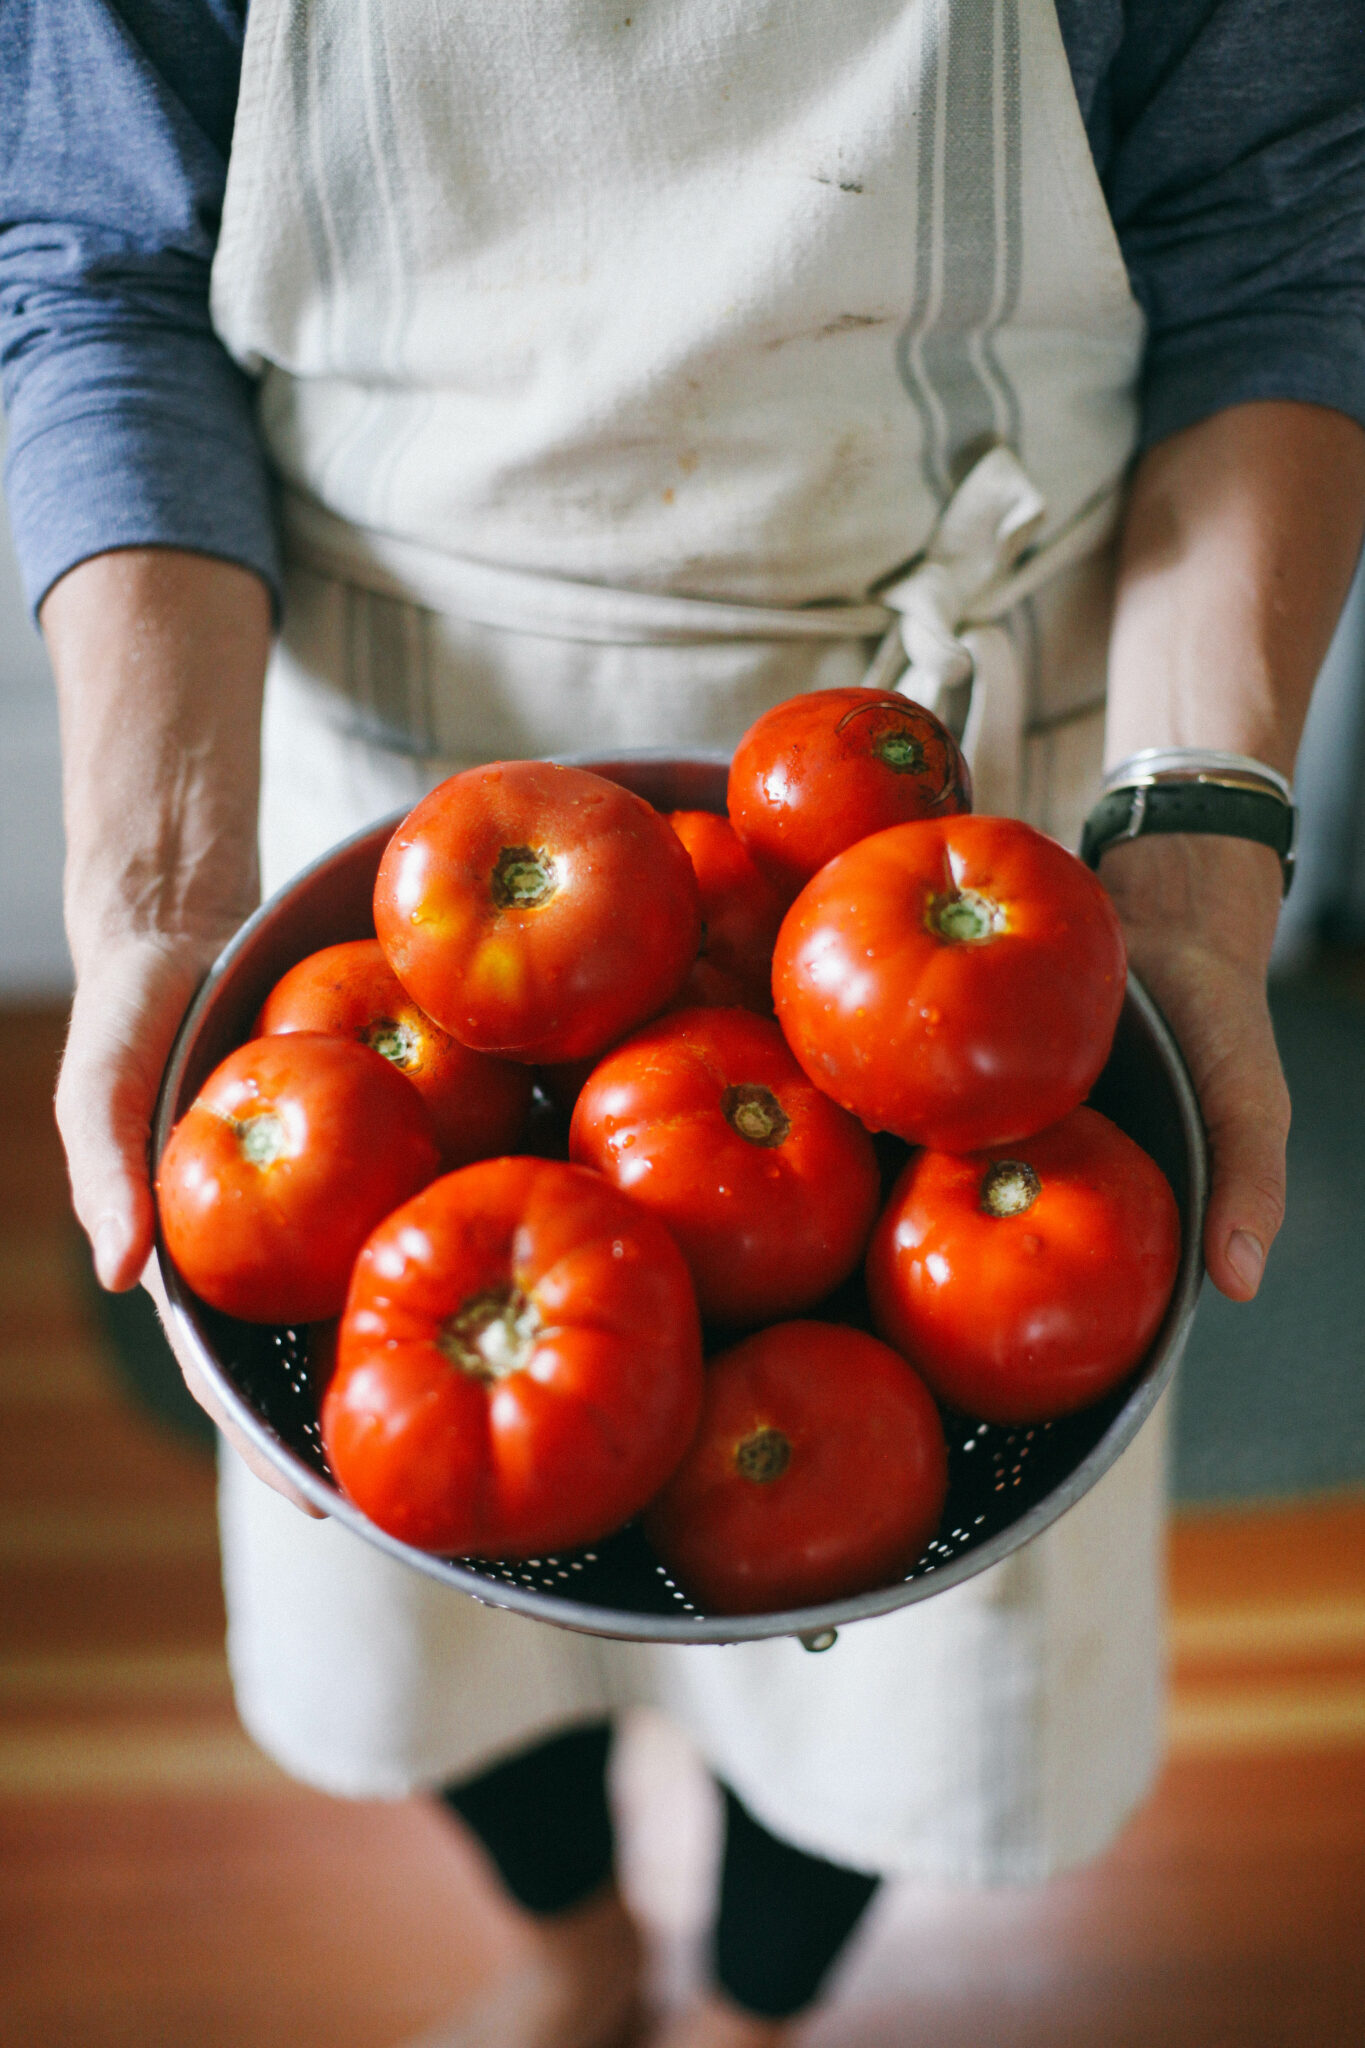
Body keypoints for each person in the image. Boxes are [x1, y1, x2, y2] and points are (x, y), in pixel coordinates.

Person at [4, 3, 1364, 2042]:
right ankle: (575, 1957)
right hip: (393, 806)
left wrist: (1191, 849)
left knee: (912, 1658)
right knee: (409, 1600)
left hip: (954, 788)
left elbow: (1274, 246)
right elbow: (94, 259)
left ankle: (747, 2014)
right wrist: (149, 894)